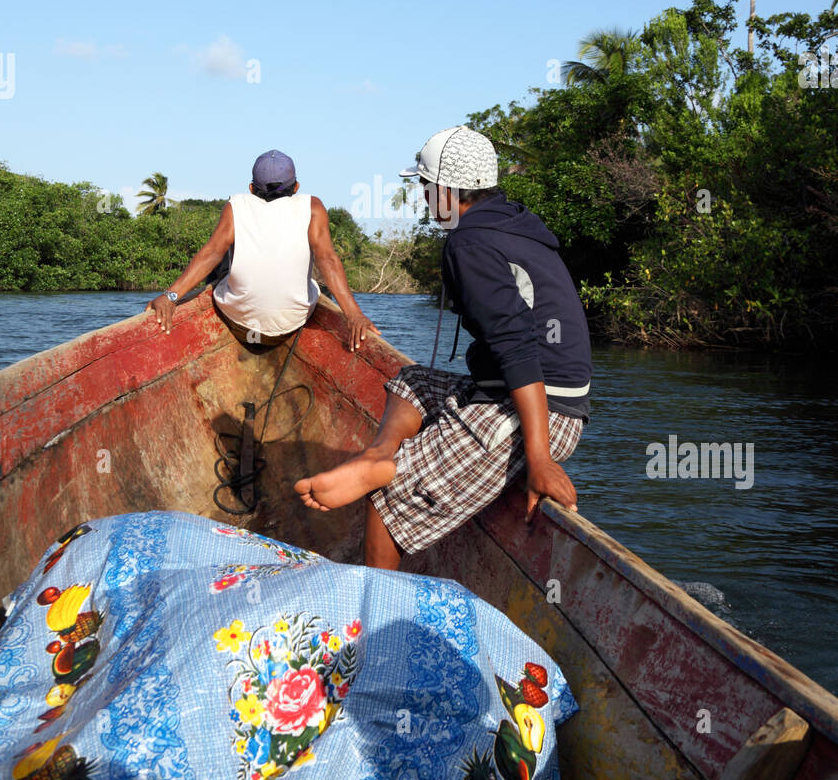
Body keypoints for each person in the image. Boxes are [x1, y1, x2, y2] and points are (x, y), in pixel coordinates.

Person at [295, 126, 591, 568]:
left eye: (427, 187)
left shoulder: (470, 243)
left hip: (542, 411)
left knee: (387, 502)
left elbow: (519, 350)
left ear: (449, 190)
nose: (425, 198)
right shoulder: (512, 224)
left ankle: (375, 626)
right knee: (412, 381)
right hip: (519, 392)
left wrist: (540, 459)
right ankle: (380, 455)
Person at [146, 150, 377, 352]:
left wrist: (170, 296)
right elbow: (327, 259)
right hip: (291, 324)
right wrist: (354, 314)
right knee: (320, 285)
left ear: (251, 189)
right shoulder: (312, 207)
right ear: (296, 187)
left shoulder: (236, 205)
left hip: (237, 320)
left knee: (220, 258)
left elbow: (212, 252)